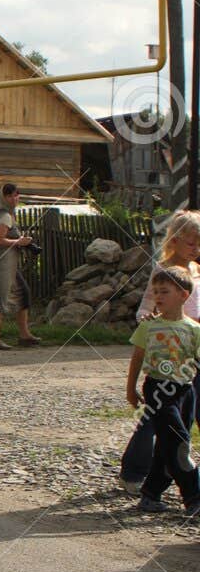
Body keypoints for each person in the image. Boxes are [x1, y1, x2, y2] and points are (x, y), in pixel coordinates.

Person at [119, 211, 200, 494]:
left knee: (190, 415)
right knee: (154, 419)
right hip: (168, 359)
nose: (197, 249)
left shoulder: (196, 272)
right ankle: (134, 471)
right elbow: (146, 308)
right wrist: (149, 322)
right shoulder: (164, 272)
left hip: (194, 354)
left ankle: (174, 477)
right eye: (192, 244)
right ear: (176, 241)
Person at [126, 266, 200, 515]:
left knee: (168, 445)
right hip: (158, 389)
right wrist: (131, 389)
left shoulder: (194, 329)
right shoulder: (149, 327)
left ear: (183, 295)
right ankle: (194, 497)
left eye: (164, 291)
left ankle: (151, 494)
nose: (158, 296)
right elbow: (137, 358)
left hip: (185, 392)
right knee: (179, 444)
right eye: (155, 291)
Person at [0, 183, 40, 350]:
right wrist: (19, 242)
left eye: (16, 195)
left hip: (9, 265)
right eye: (10, 196)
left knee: (24, 294)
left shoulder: (4, 213)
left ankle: (24, 335)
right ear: (5, 197)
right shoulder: (5, 216)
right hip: (2, 264)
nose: (14, 198)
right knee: (0, 299)